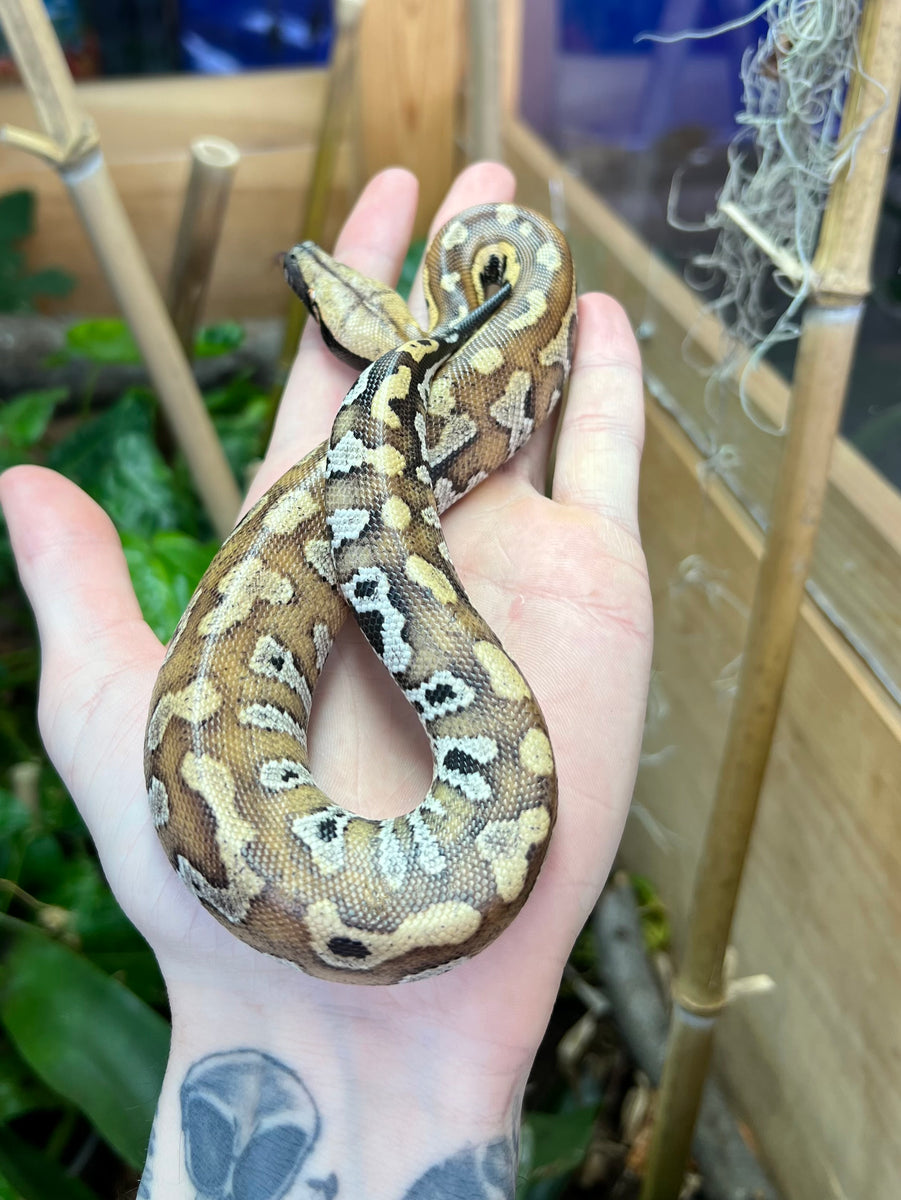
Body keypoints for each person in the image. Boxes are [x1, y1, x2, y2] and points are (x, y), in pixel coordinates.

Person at [0, 162, 652, 1199]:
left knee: (367, 516)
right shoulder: (404, 408)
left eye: (324, 312)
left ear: (380, 340)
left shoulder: (377, 433)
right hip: (418, 848)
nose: (307, 289)